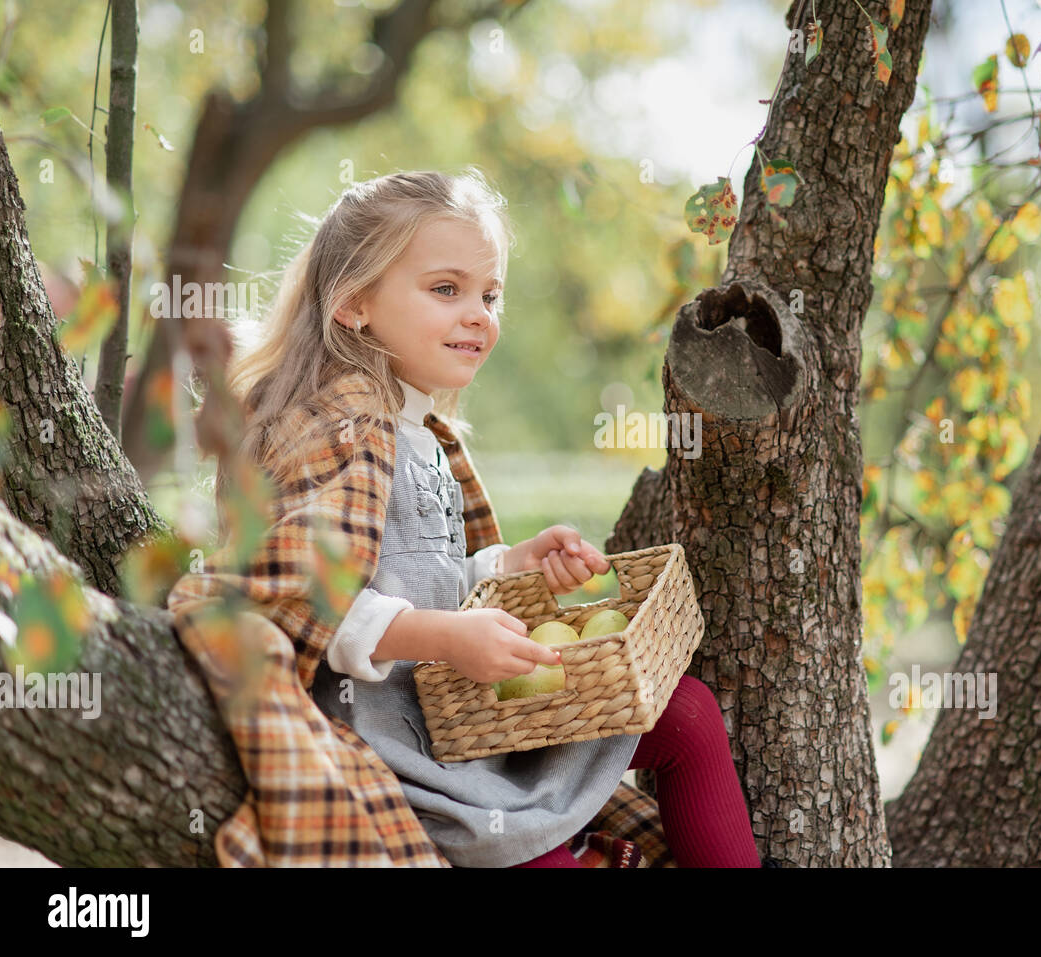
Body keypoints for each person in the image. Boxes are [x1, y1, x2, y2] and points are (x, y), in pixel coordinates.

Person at [209, 168, 760, 868]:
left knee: (686, 715)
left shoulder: (425, 432)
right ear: (353, 303)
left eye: (490, 294)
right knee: (532, 849)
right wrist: (442, 636)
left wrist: (509, 563)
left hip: (464, 717)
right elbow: (297, 598)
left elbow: (420, 569)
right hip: (396, 746)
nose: (479, 314)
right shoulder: (335, 427)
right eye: (447, 290)